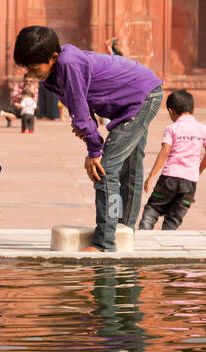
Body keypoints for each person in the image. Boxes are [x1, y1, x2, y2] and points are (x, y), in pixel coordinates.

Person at [14, 24, 163, 252]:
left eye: (34, 68)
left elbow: (81, 113)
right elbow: (80, 108)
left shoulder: (69, 63)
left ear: (53, 57)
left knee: (105, 168)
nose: (31, 75)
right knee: (130, 168)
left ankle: (105, 242)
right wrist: (86, 130)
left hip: (141, 97)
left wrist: (94, 150)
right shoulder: (52, 75)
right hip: (137, 97)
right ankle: (123, 232)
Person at [138, 89, 206, 231]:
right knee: (174, 218)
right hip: (190, 182)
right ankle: (166, 241)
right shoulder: (203, 129)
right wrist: (198, 170)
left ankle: (145, 231)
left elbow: (165, 151)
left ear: (171, 111)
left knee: (153, 207)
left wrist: (151, 175)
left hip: (169, 178)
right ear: (193, 109)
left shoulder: (172, 128)